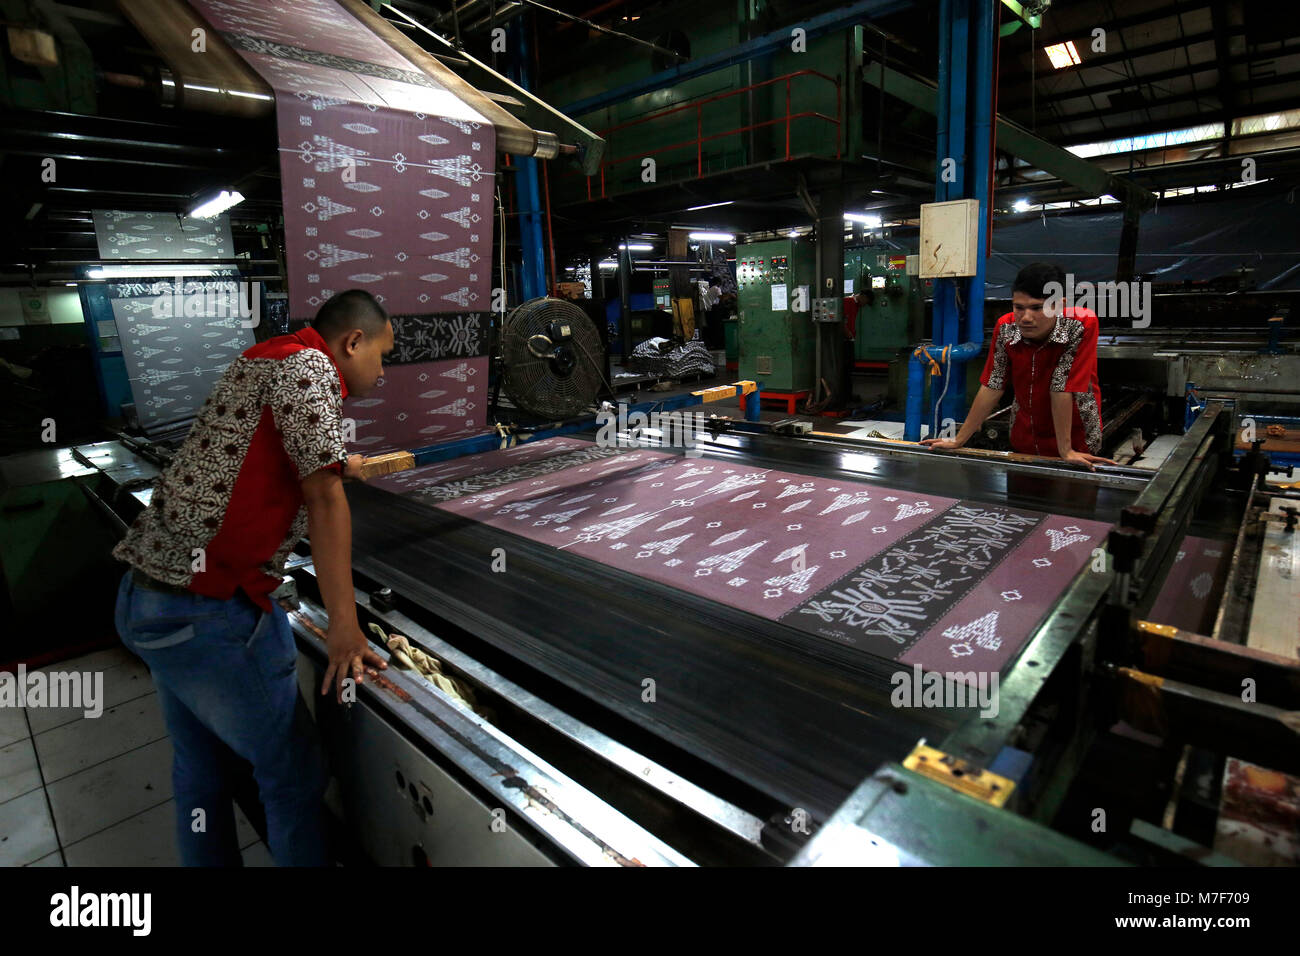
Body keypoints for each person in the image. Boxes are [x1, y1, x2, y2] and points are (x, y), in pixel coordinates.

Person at [112, 288, 392, 866]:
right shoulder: (313, 365)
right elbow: (324, 498)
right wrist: (345, 624)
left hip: (148, 598)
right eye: (382, 356)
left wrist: (343, 463)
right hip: (209, 611)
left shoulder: (266, 356)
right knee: (292, 779)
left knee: (201, 769)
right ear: (353, 342)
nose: (382, 372)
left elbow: (273, 449)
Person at [922, 262, 1115, 471]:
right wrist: (959, 440)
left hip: (1076, 437)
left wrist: (1066, 450)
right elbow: (992, 385)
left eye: (1036, 308)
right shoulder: (1006, 327)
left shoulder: (1080, 324)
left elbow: (1062, 386)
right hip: (1025, 435)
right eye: (1019, 307)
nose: (1025, 318)